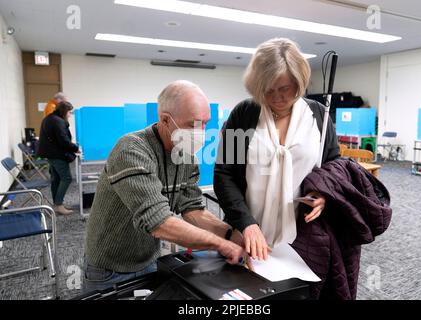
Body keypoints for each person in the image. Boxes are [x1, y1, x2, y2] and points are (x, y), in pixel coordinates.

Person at [83, 80, 249, 292]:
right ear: (165, 120)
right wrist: (221, 244)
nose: (202, 132)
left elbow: (193, 209)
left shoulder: (186, 155)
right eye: (193, 124)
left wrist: (229, 234)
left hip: (149, 259)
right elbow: (158, 222)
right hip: (109, 268)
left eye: (205, 123)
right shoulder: (132, 150)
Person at [214, 38, 340, 261]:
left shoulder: (319, 116)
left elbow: (333, 165)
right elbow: (224, 174)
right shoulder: (243, 114)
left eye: (284, 89)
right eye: (268, 90)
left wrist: (323, 195)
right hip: (246, 232)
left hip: (303, 233)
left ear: (299, 82)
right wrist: (245, 223)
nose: (276, 98)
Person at [38, 101, 79, 215]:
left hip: (50, 153)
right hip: (56, 154)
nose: (70, 115)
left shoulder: (50, 118)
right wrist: (76, 148)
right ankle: (59, 204)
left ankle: (57, 204)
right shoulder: (58, 121)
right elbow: (63, 140)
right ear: (64, 111)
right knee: (66, 178)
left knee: (56, 178)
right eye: (69, 112)